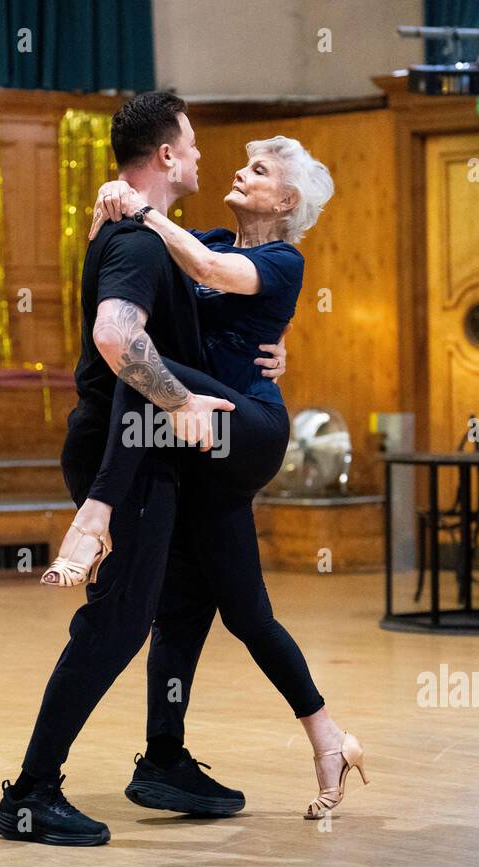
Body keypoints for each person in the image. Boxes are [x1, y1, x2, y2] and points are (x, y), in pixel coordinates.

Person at [42, 133, 368, 825]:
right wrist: (112, 203)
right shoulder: (213, 235)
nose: (239, 173)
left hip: (247, 429)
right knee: (234, 608)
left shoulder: (283, 259)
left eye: (259, 171)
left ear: (286, 200)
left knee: (144, 371)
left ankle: (93, 517)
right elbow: (157, 263)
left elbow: (212, 273)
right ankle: (325, 740)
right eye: (244, 164)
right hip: (202, 441)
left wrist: (148, 213)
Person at [0, 91, 243, 847]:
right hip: (120, 453)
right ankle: (31, 794)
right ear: (166, 155)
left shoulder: (142, 231)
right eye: (191, 146)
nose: (199, 157)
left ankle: (164, 758)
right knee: (117, 622)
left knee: (185, 597)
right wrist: (179, 402)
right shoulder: (134, 241)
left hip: (138, 452)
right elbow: (113, 338)